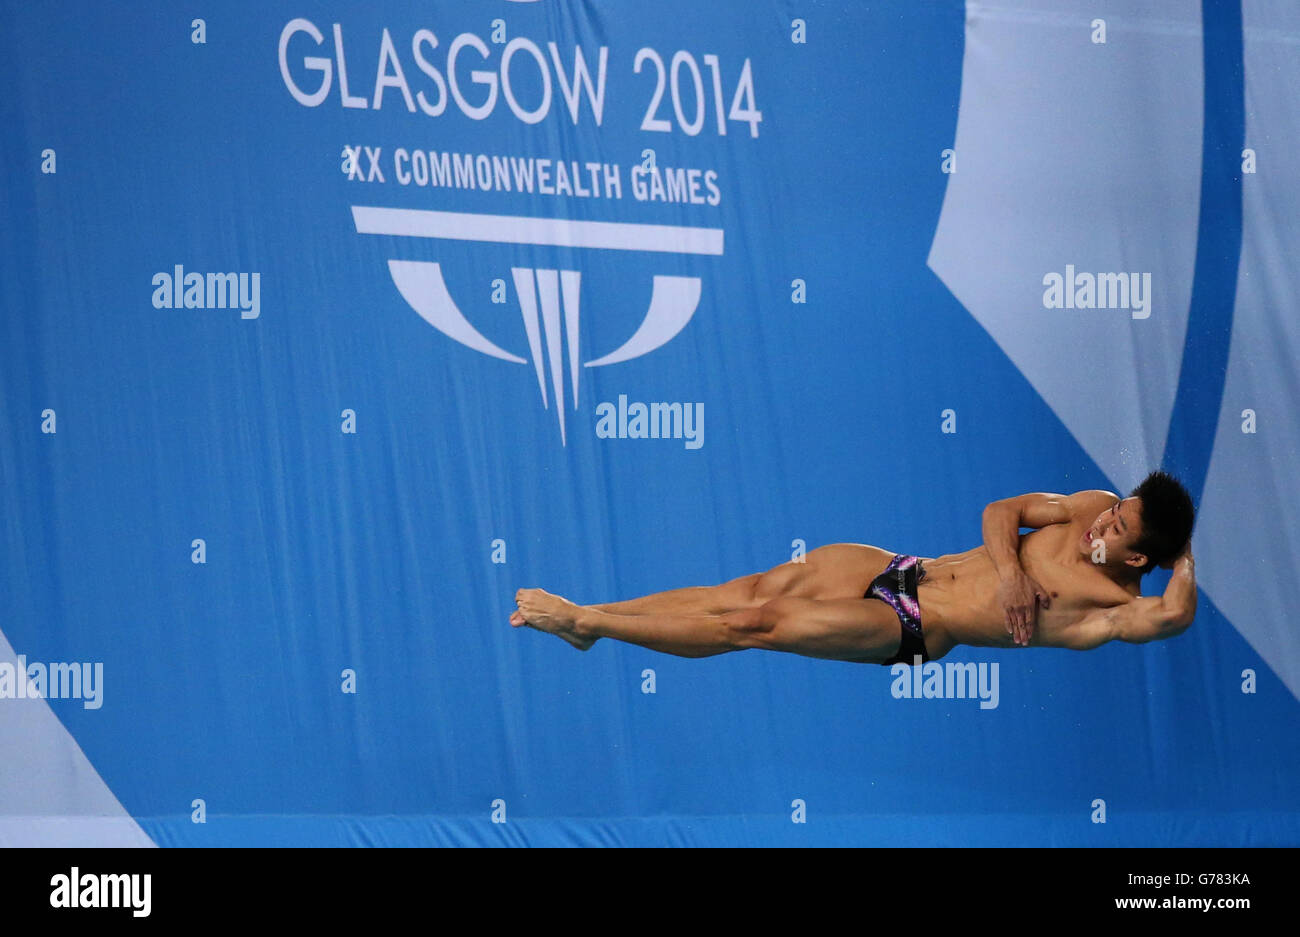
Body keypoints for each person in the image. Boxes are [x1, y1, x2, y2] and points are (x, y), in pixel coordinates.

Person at [510, 471, 1196, 665]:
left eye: (1119, 529)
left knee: (754, 624)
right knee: (739, 591)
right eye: (1116, 508)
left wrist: (1186, 553)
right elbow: (1000, 509)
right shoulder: (1088, 506)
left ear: (1139, 557)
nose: (1102, 523)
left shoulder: (1112, 608)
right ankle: (593, 617)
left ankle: (586, 620)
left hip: (910, 626)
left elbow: (1174, 613)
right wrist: (1013, 573)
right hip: (898, 565)